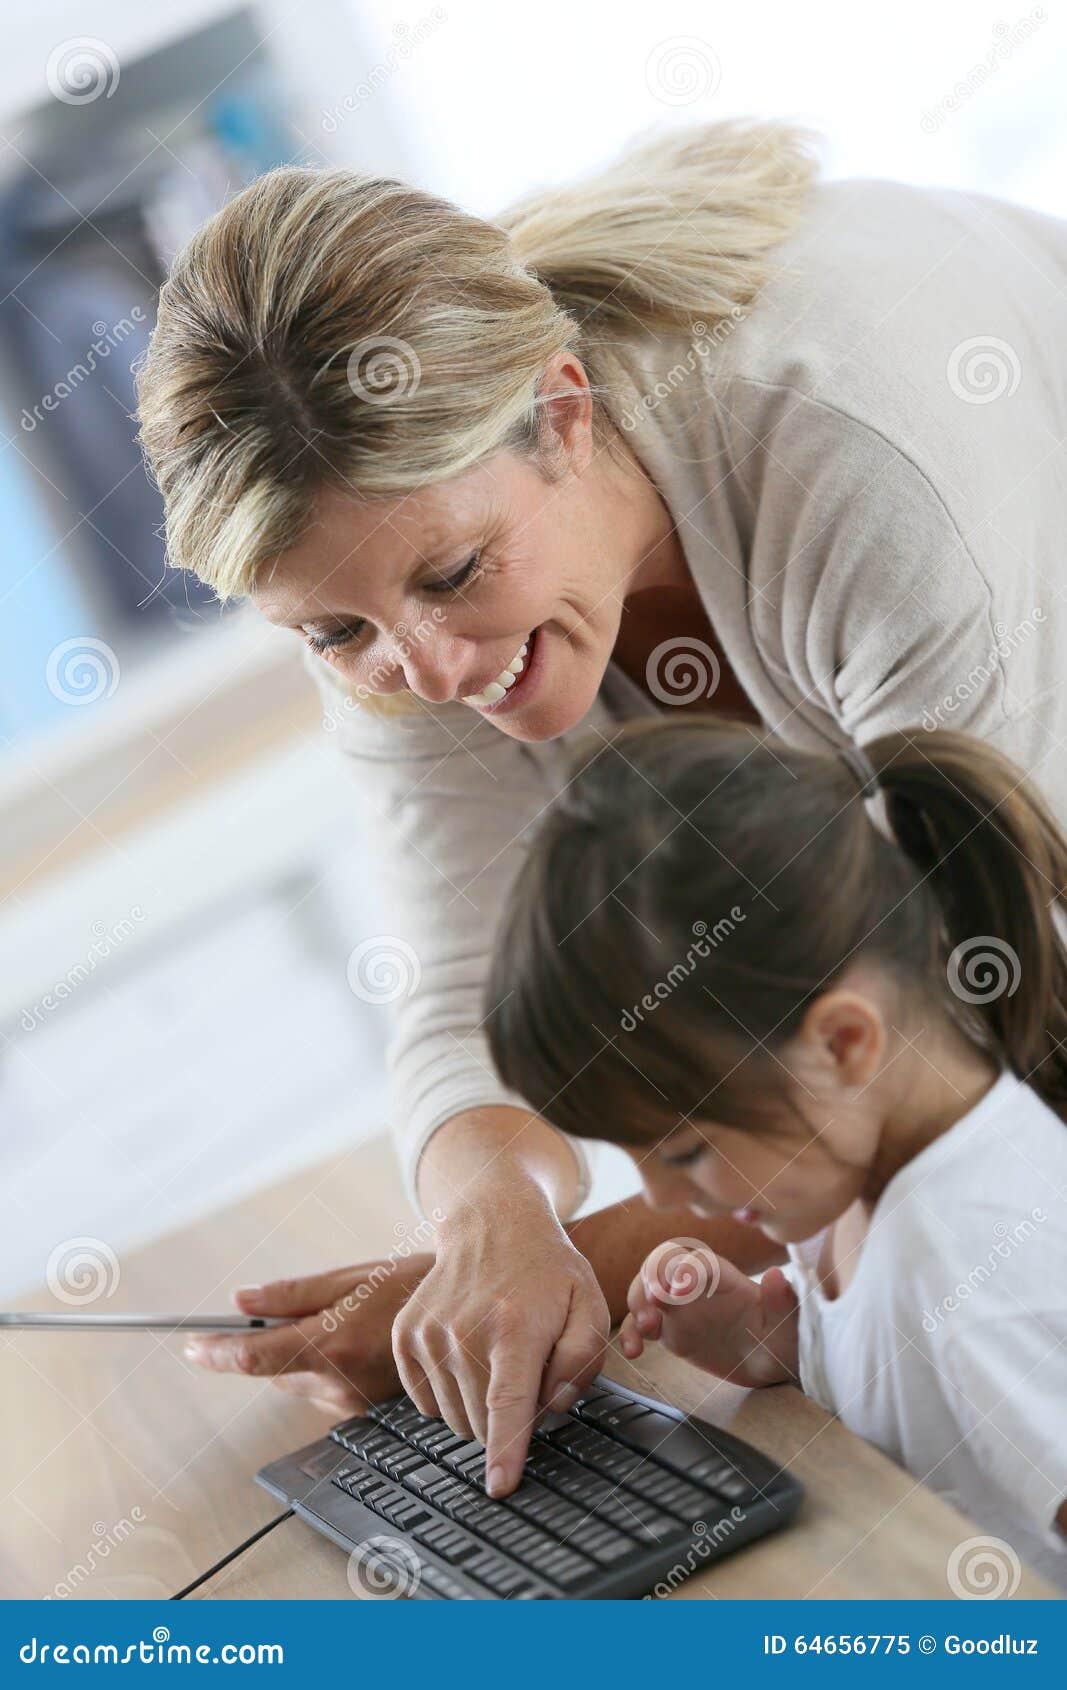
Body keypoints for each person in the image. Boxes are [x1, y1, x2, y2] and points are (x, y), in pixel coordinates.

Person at [135, 117, 1067, 1499]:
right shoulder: (390, 586)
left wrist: (581, 1269)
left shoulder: (857, 459)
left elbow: (981, 1024)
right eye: (332, 633)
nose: (427, 673)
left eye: (455, 573)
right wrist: (492, 1228)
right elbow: (458, 981)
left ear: (562, 415)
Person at [484, 715, 1067, 1586]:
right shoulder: (849, 1180)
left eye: (684, 1151)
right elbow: (895, 1381)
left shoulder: (975, 1268)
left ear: (841, 1045)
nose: (658, 1199)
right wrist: (761, 1335)